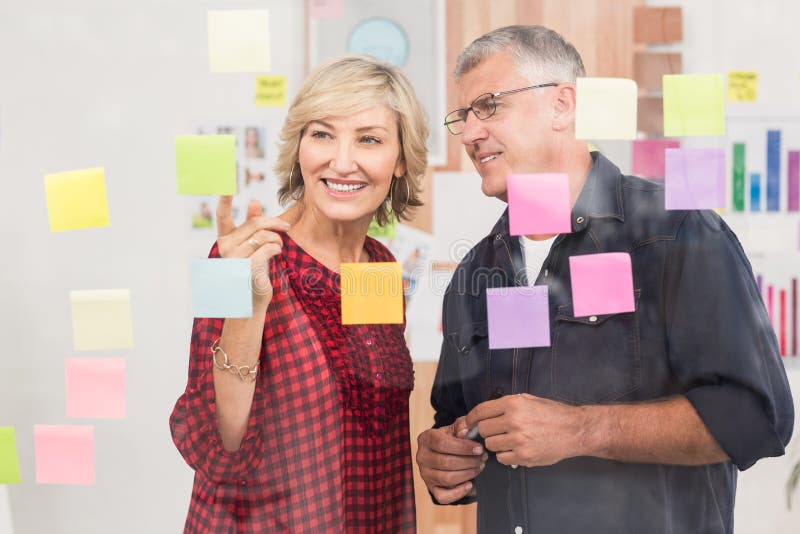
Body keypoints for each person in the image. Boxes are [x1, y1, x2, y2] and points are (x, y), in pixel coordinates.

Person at [416, 25, 794, 534]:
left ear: (563, 105)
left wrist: (581, 429)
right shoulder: (478, 272)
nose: (468, 133)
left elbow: (756, 417)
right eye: (461, 117)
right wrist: (447, 457)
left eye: (488, 106)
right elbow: (459, 424)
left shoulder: (676, 232)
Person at [171, 55, 428, 533]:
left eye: (369, 139)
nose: (342, 160)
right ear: (299, 149)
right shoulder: (236, 256)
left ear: (400, 163)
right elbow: (212, 448)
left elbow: (375, 438)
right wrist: (247, 309)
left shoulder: (381, 267)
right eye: (322, 133)